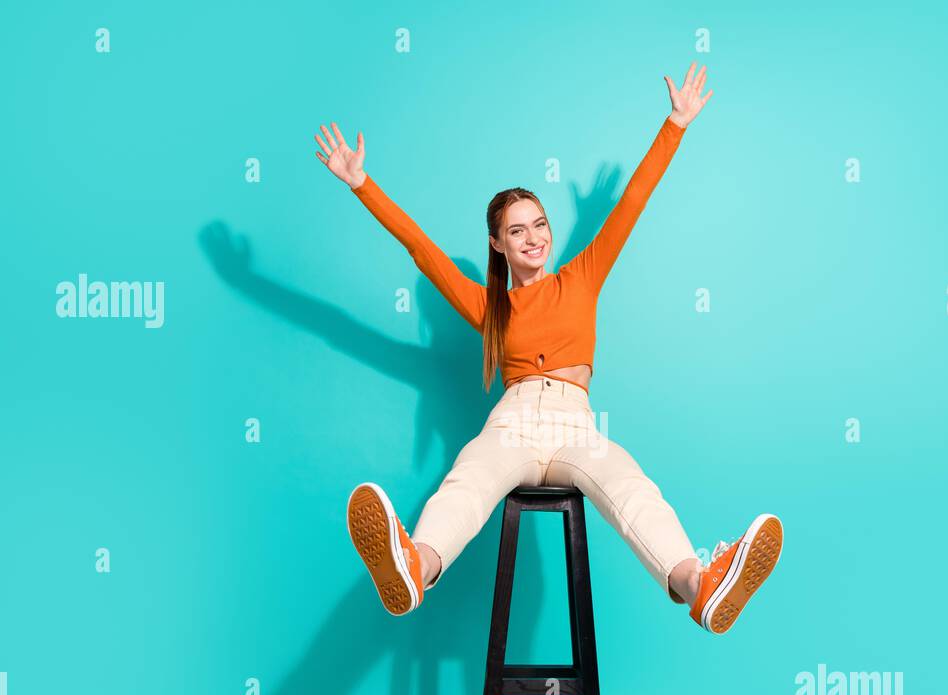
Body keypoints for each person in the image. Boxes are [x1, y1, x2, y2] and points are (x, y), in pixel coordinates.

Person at [314, 63, 782, 634]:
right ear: (497, 243)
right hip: (510, 423)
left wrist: (675, 124)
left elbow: (632, 202)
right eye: (517, 230)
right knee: (469, 479)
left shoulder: (581, 278)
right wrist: (362, 184)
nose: (533, 237)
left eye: (539, 225)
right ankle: (416, 567)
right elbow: (421, 250)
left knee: (630, 486)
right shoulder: (491, 307)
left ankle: (700, 586)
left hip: (575, 423)